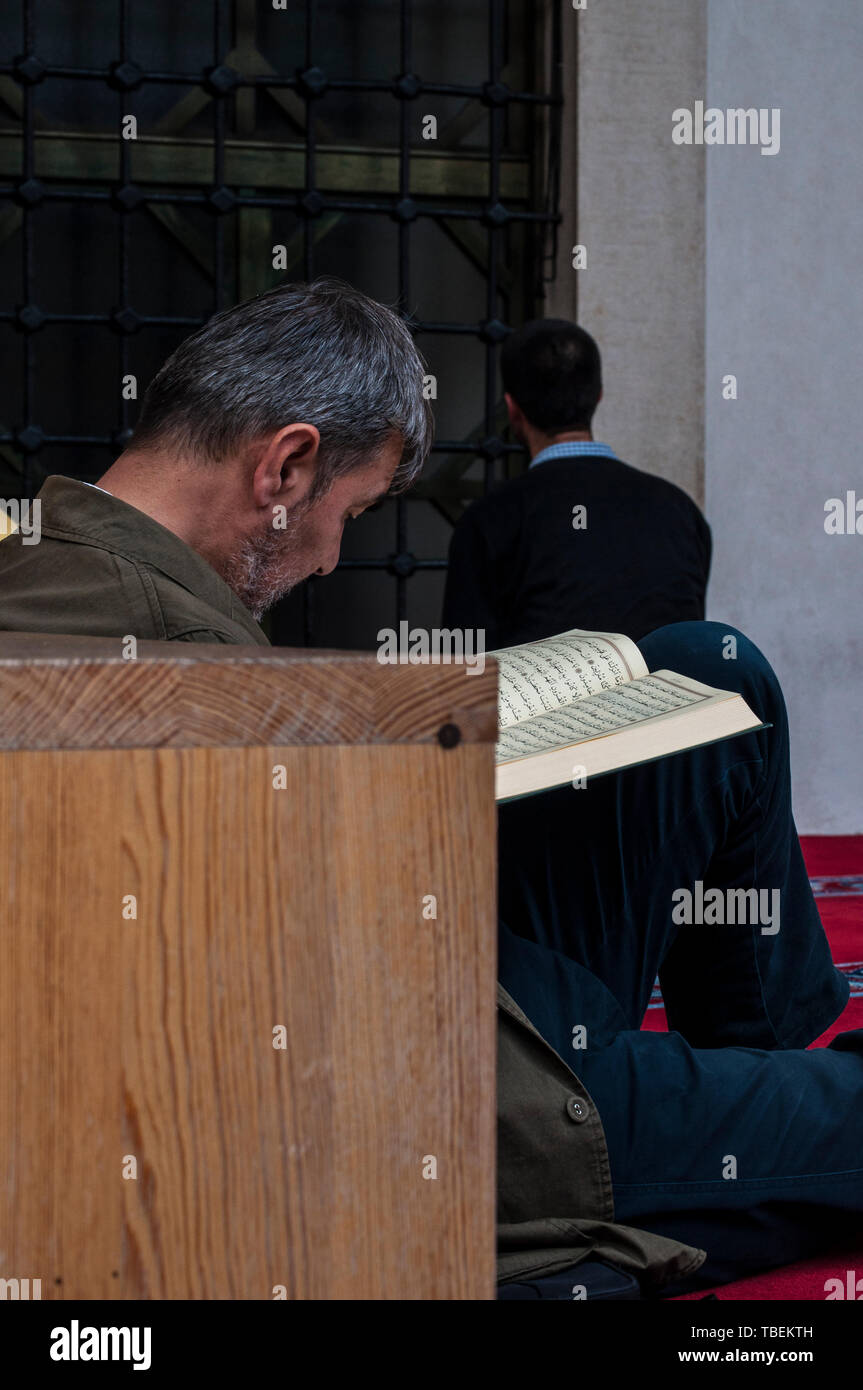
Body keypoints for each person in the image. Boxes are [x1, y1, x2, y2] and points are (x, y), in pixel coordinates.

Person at [1, 277, 860, 1297]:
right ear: (285, 465)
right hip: (456, 1086)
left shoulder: (52, 564)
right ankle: (750, 1114)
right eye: (349, 514)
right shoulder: (169, 663)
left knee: (705, 671)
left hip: (448, 979)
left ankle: (748, 1071)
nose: (329, 561)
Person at [442, 319, 712, 647]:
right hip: (669, 700)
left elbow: (463, 671)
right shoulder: (680, 511)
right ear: (599, 396)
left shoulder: (487, 520)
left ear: (512, 410)